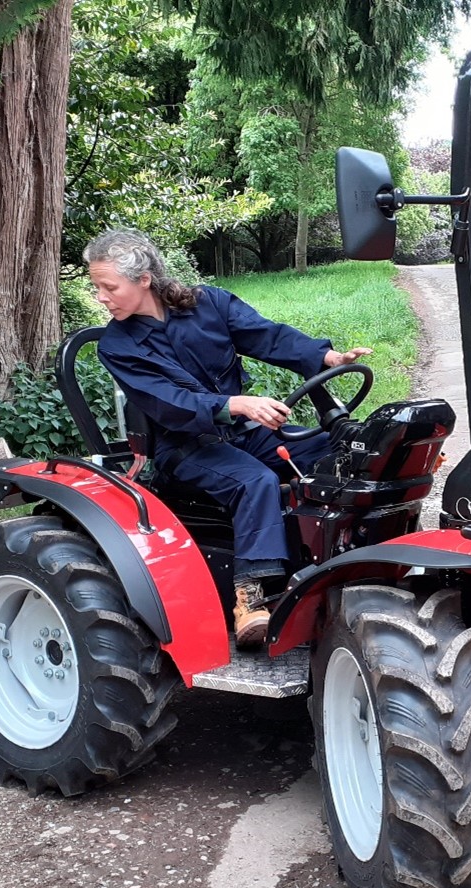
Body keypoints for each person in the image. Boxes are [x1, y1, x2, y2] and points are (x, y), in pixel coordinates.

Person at [82, 229, 371, 646]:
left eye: (108, 287)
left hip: (242, 435)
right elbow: (169, 403)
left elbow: (266, 336)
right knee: (255, 481)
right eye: (98, 289)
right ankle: (248, 598)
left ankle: (345, 561)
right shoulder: (117, 345)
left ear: (144, 279)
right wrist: (237, 404)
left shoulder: (209, 303)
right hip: (184, 445)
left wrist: (326, 357)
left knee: (338, 452)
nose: (102, 298)